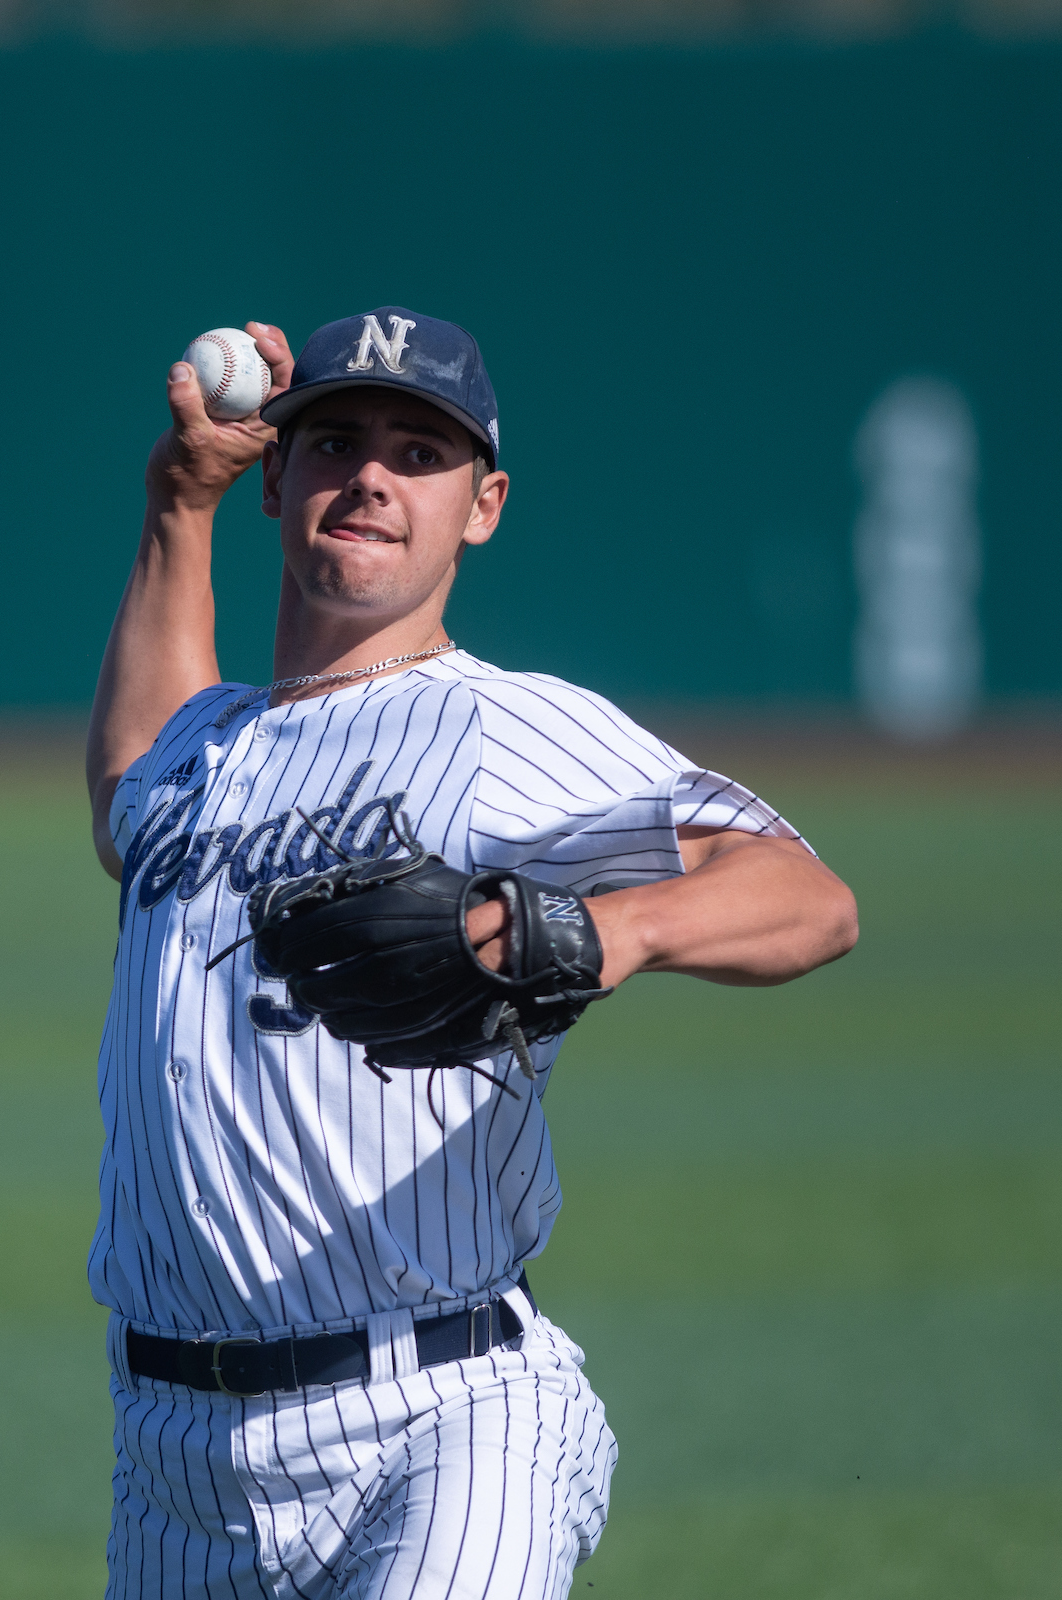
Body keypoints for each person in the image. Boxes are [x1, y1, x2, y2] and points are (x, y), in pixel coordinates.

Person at [84, 307, 858, 1599]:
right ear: (279, 475)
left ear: (481, 505)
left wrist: (600, 931)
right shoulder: (204, 745)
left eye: (418, 451)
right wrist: (179, 505)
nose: (371, 476)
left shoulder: (507, 726)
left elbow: (809, 897)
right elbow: (129, 800)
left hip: (438, 1419)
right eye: (334, 441)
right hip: (175, 1459)